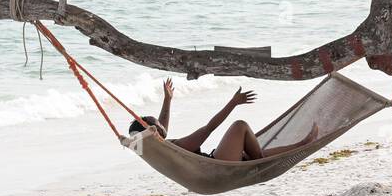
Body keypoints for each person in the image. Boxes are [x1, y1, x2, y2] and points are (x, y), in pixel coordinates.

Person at [128, 78, 320, 162]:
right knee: (240, 126)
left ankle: (303, 142)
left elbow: (160, 128)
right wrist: (233, 103)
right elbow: (209, 128)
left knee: (252, 153)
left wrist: (167, 99)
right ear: (154, 131)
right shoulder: (177, 145)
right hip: (216, 164)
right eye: (159, 125)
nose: (163, 125)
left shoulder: (160, 148)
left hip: (214, 164)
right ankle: (261, 161)